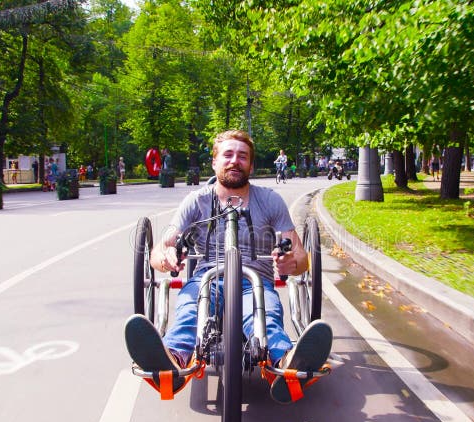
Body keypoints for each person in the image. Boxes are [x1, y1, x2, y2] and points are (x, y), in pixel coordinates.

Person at [124, 129, 332, 404]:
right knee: (189, 311)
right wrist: (166, 257)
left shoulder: (269, 200)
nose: (235, 161)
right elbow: (159, 250)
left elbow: (302, 258)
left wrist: (291, 262)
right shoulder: (196, 201)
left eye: (242, 156)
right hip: (205, 279)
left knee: (265, 316)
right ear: (215, 162)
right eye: (228, 155)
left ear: (251, 165)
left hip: (255, 280)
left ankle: (286, 361)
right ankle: (172, 362)